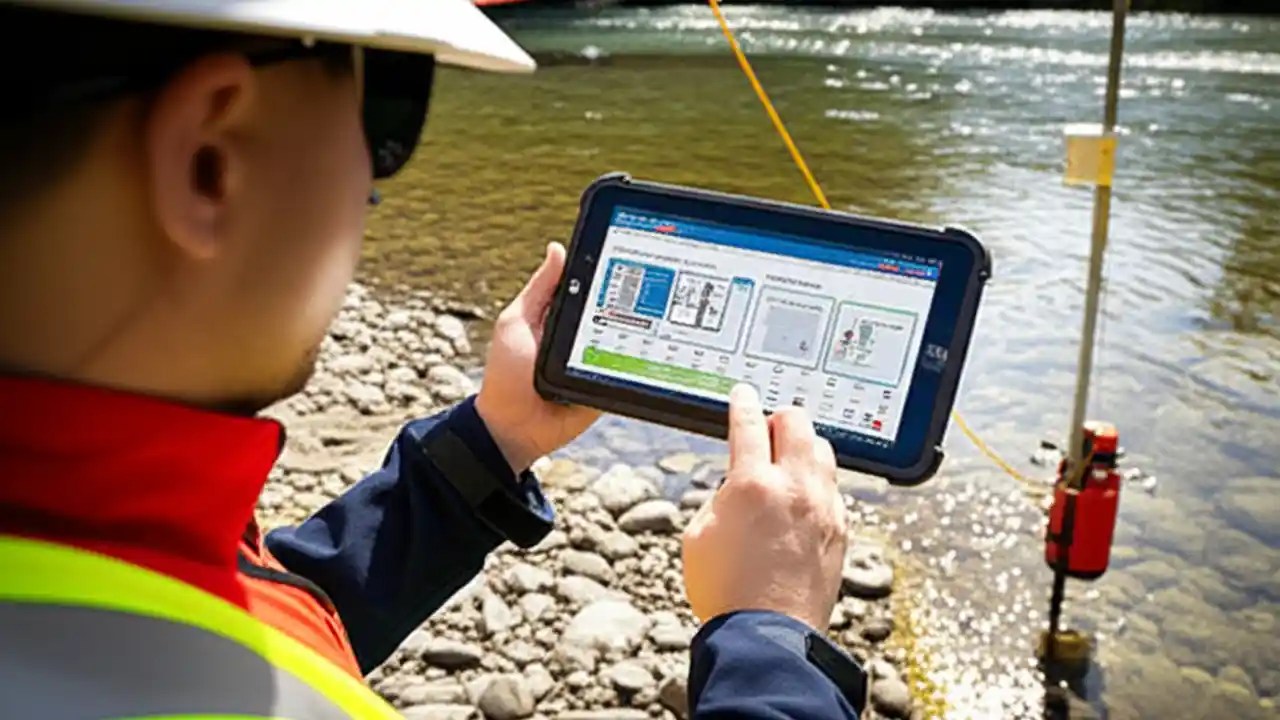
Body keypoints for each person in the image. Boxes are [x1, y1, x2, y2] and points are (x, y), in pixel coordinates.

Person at [0, 1, 867, 717]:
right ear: (208, 163)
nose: (377, 184)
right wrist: (770, 643)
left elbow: (245, 617)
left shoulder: (70, 542)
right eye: (389, 107)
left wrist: (483, 451)